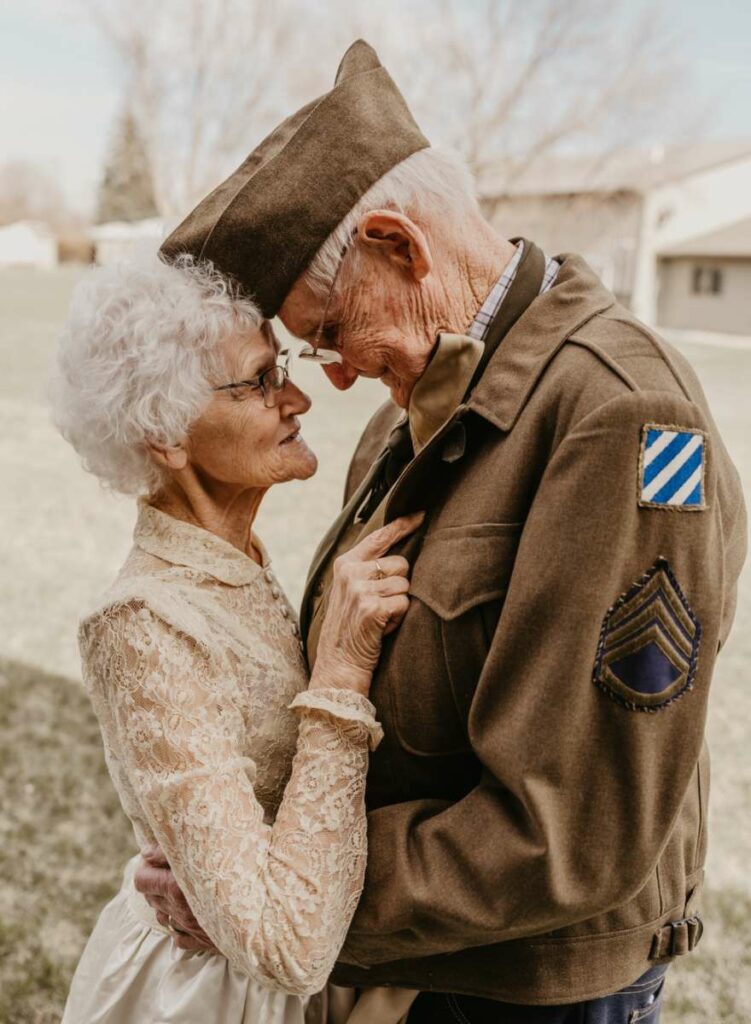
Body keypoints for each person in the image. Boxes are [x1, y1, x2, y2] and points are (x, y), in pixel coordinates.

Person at [139, 39, 748, 1024]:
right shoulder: (406, 409)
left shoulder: (620, 416)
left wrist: (273, 903)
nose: (328, 377)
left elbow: (568, 835)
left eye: (328, 331)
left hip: (522, 990)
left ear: (400, 245)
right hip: (417, 964)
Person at [51, 250, 423, 1024]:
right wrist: (340, 676)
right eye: (258, 381)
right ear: (165, 435)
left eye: (280, 366)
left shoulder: (232, 562)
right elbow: (285, 944)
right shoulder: (144, 623)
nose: (296, 398)